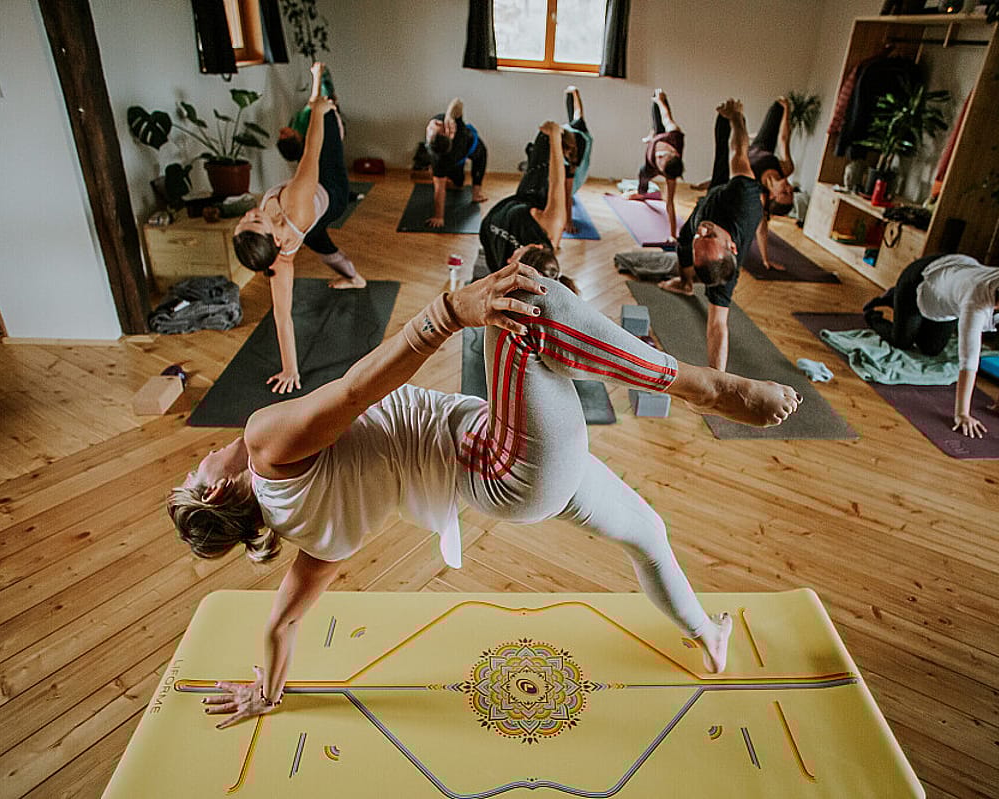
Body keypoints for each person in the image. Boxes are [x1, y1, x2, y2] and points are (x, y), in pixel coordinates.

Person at [168, 259, 802, 729]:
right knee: (525, 302)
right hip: (501, 460)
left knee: (648, 534)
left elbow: (284, 622)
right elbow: (357, 391)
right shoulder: (263, 445)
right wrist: (449, 313)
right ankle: (703, 387)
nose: (198, 457)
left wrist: (267, 694)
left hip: (512, 469)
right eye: (194, 473)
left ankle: (706, 635)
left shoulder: (310, 536)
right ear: (222, 486)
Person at [232, 63, 365, 395]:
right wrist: (317, 106)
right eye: (255, 219)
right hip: (331, 189)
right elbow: (312, 151)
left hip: (308, 226)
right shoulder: (296, 201)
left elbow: (282, 317)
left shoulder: (272, 254)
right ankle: (322, 86)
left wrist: (290, 368)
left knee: (319, 241)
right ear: (275, 239)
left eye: (243, 222)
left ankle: (355, 278)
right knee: (323, 118)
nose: (249, 213)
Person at [862, 254, 999, 438]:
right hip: (921, 280)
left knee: (931, 349)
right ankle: (888, 300)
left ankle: (910, 314)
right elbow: (969, 358)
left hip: (948, 295)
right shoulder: (977, 296)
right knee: (902, 341)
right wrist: (962, 413)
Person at [659, 99, 762, 372]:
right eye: (706, 237)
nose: (701, 230)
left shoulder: (722, 274)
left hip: (718, 198)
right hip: (725, 196)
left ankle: (685, 282)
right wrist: (738, 116)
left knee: (685, 236)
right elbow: (740, 148)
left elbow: (718, 326)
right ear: (730, 246)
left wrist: (718, 380)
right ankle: (684, 283)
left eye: (700, 240)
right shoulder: (741, 199)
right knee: (726, 150)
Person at [479, 120, 569, 274]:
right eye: (514, 259)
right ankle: (562, 146)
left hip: (512, 209)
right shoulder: (550, 225)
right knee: (544, 141)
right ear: (536, 247)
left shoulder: (509, 271)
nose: (509, 260)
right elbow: (557, 182)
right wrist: (554, 135)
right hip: (533, 191)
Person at [627, 89, 685, 242]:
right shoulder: (674, 136)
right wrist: (660, 100)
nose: (659, 164)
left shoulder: (669, 173)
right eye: (661, 161)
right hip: (659, 137)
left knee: (645, 171)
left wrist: (673, 235)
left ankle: (652, 135)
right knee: (657, 106)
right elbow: (667, 117)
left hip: (653, 152)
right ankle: (641, 193)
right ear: (670, 155)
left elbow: (670, 203)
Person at [746, 98, 796, 271]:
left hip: (742, 154)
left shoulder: (756, 188)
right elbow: (783, 139)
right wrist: (787, 109)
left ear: (773, 195)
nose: (789, 188)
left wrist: (765, 260)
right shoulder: (786, 168)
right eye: (791, 192)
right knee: (777, 108)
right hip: (761, 146)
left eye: (785, 193)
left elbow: (762, 229)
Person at [425, 98, 488, 228]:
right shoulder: (440, 159)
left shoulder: (443, 132)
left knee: (481, 157)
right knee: (459, 184)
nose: (436, 123)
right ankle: (456, 180)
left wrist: (449, 116)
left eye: (435, 127)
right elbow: (439, 189)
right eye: (437, 127)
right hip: (458, 157)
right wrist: (439, 217)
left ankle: (476, 195)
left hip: (473, 146)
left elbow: (458, 102)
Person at [561, 85, 594, 234]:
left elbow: (567, 194)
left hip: (581, 140)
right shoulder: (561, 137)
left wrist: (568, 222)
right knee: (576, 116)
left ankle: (574, 92)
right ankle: (572, 93)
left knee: (578, 116)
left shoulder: (575, 159)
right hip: (570, 138)